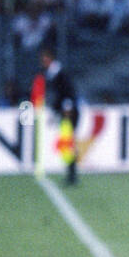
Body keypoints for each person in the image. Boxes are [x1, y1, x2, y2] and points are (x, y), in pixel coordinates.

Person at [38, 48, 80, 186]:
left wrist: (66, 108)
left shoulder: (59, 74)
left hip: (69, 113)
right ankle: (71, 173)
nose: (43, 62)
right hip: (65, 111)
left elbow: (68, 92)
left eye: (45, 59)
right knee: (66, 144)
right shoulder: (54, 73)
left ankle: (72, 175)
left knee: (67, 144)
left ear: (50, 59)